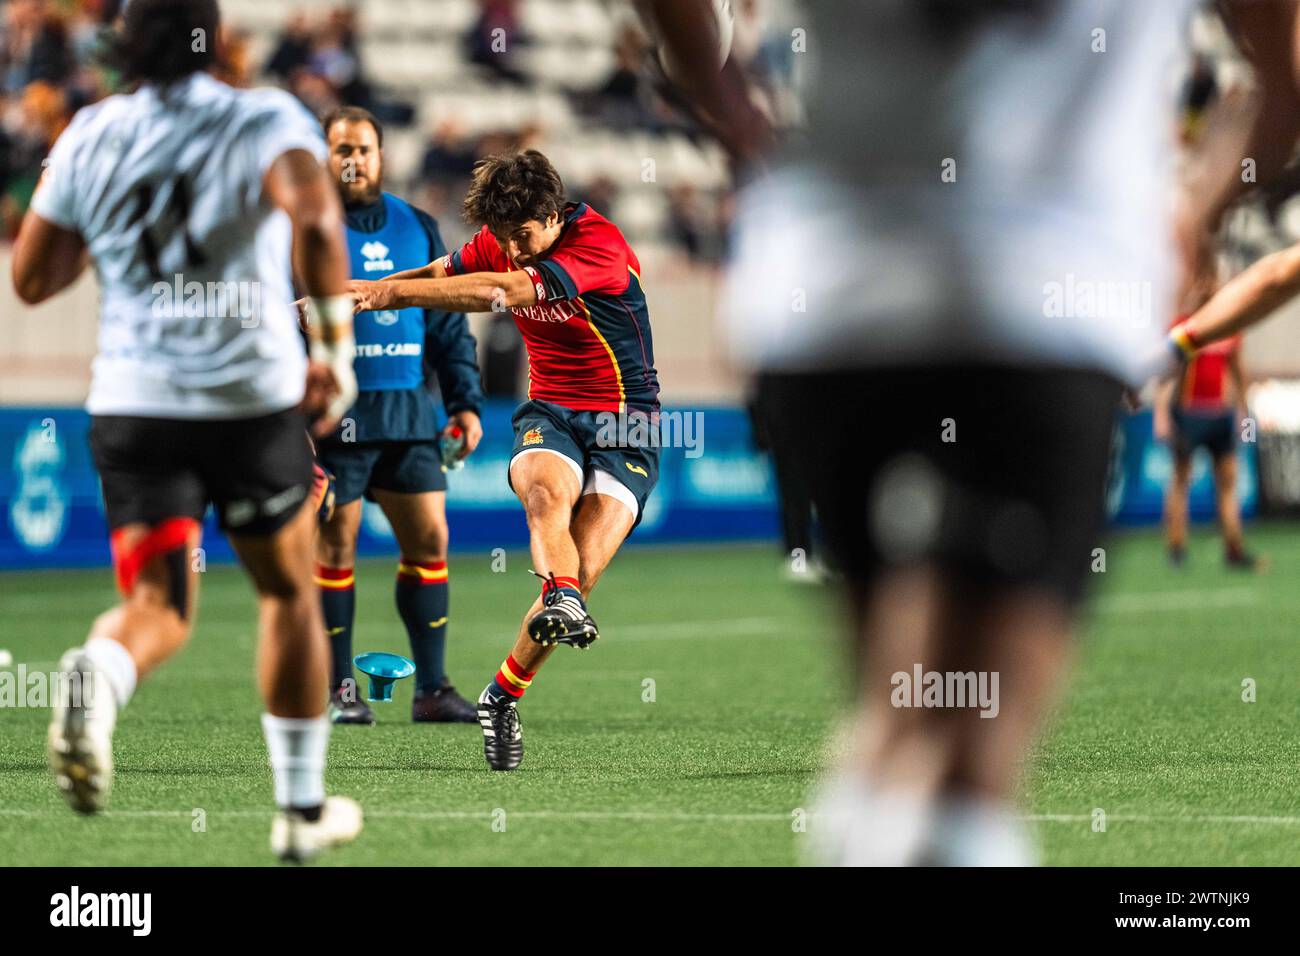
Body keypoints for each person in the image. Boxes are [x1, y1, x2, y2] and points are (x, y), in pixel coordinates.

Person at [646, 0, 1300, 865]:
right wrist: (1197, 210)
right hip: (1046, 305)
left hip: (832, 297)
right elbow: (1285, 67)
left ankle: (870, 819)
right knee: (976, 763)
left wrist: (734, 113)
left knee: (897, 705)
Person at [11, 0, 362, 862]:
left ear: (124, 45)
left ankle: (101, 671)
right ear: (220, 41)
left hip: (134, 405)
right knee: (287, 594)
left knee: (156, 605)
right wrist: (333, 350)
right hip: (249, 402)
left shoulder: (90, 133)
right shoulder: (262, 115)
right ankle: (300, 811)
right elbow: (317, 218)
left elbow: (32, 278)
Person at [348, 148, 659, 772]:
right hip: (550, 411)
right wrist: (361, 291)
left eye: (522, 236)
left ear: (552, 215)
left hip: (625, 423)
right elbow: (442, 273)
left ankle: (502, 695)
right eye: (502, 238)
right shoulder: (504, 242)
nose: (513, 250)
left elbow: (503, 290)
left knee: (585, 567)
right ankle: (563, 595)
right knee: (546, 497)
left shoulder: (597, 243)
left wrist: (385, 294)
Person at [313, 105, 484, 725]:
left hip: (412, 416)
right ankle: (340, 692)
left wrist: (464, 402)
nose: (353, 159)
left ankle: (432, 689)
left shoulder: (418, 226)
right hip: (334, 424)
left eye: (363, 148)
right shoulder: (304, 232)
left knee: (432, 540)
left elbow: (447, 325)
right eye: (341, 150)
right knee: (337, 549)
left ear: (383, 157)